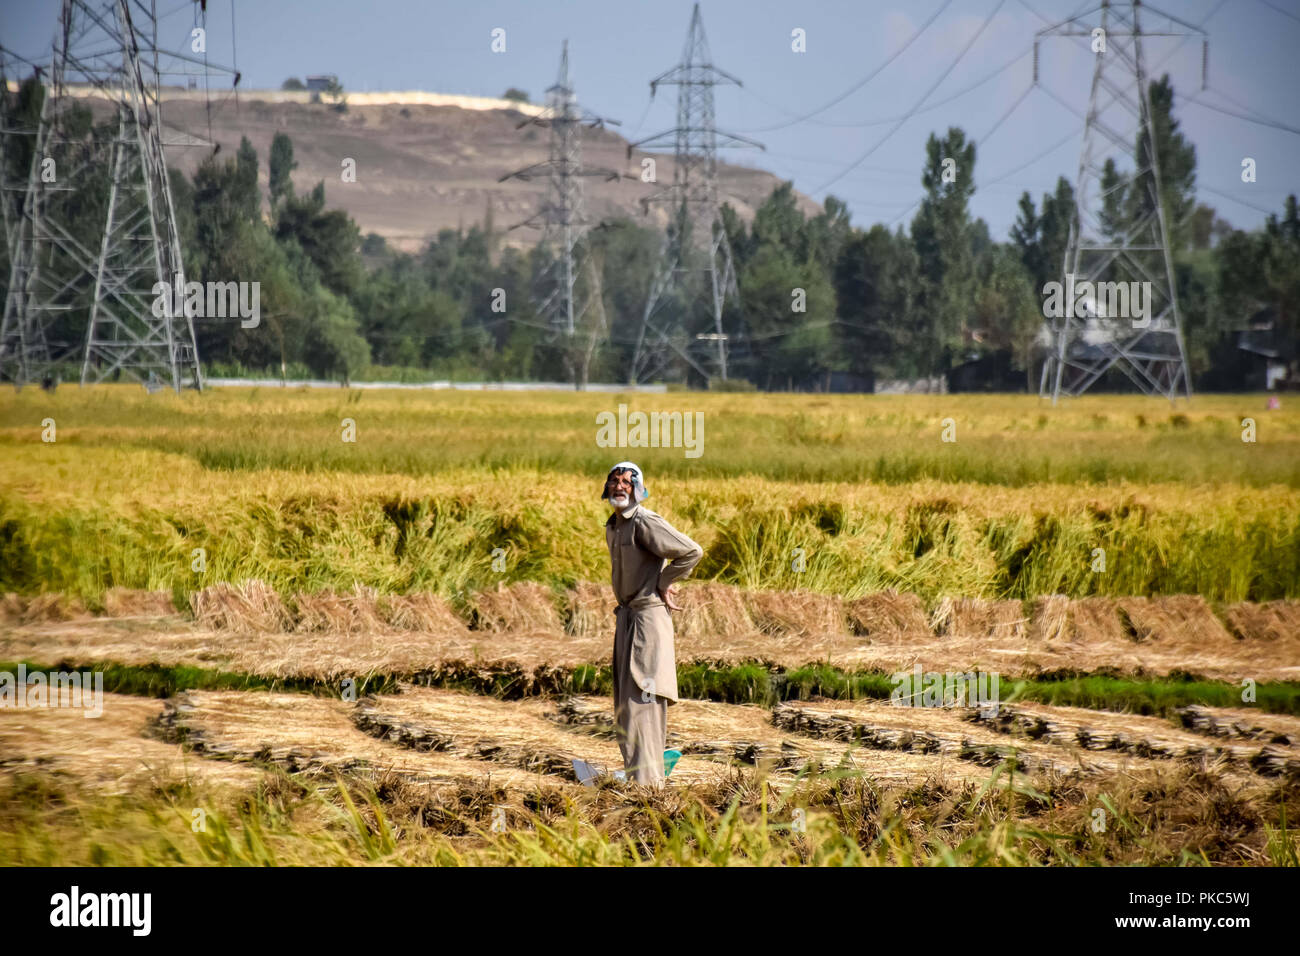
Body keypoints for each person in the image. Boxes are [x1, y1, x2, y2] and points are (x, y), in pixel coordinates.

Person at [602, 461, 702, 785]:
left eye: (628, 483)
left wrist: (664, 581)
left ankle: (648, 790)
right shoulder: (614, 526)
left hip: (646, 621)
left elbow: (691, 551)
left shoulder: (644, 522)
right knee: (625, 710)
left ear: (639, 491)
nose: (620, 487)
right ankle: (641, 778)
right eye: (615, 481)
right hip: (627, 618)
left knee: (642, 704)